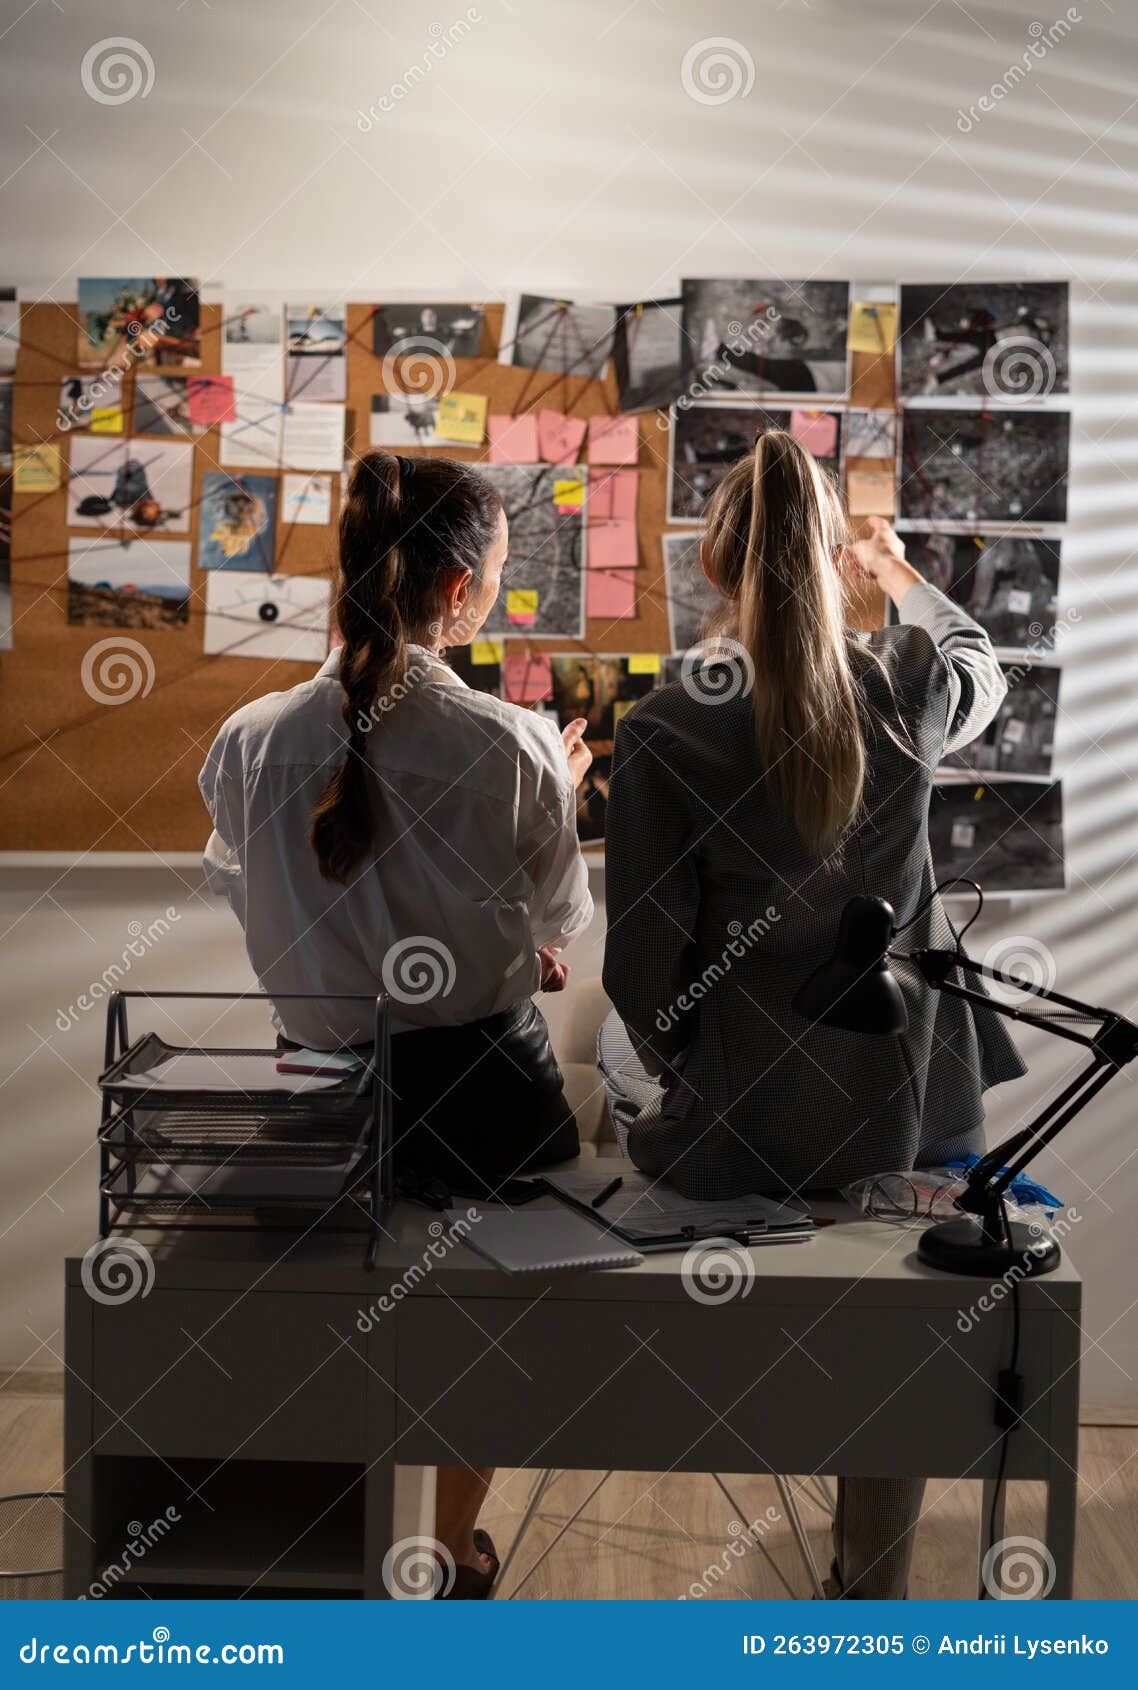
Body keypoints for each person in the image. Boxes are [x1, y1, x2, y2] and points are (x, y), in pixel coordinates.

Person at [598, 429, 1025, 1601]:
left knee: (608, 1078)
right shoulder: (907, 683)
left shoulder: (665, 726)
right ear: (833, 556)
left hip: (741, 1130)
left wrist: (686, 1067)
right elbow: (978, 655)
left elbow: (640, 968)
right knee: (898, 1361)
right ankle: (870, 1589)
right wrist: (892, 568)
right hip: (912, 1116)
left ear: (713, 565)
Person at [199, 449, 594, 1596]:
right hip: (485, 1102)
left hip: (317, 1097)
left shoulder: (248, 736)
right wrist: (556, 799)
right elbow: (558, 918)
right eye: (496, 578)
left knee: (332, 1342)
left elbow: (255, 893)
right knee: (492, 1340)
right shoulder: (511, 741)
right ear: (459, 588)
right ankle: (444, 1553)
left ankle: (338, 1564)